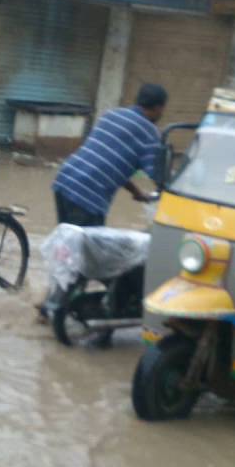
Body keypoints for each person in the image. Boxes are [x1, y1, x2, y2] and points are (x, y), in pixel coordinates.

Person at [47, 84, 166, 344]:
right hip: (88, 196)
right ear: (158, 108)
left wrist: (135, 191)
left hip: (66, 182)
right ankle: (65, 308)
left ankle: (52, 304)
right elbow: (159, 176)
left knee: (70, 250)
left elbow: (109, 159)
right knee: (95, 258)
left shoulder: (112, 115)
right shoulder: (149, 134)